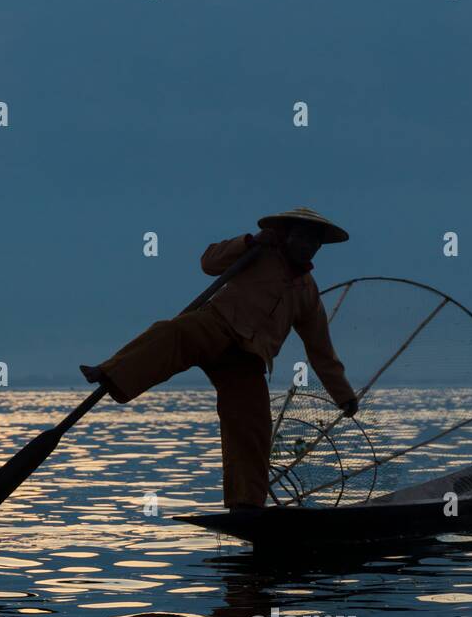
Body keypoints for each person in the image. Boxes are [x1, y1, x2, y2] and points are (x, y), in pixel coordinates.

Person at [80, 207, 358, 509]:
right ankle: (110, 372)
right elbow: (209, 262)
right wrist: (249, 242)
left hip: (248, 359)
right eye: (302, 237)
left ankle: (246, 504)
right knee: (170, 332)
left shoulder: (308, 293)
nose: (307, 246)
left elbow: (321, 350)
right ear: (287, 236)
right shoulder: (259, 254)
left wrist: (343, 395)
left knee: (252, 428)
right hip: (215, 326)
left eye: (314, 241)